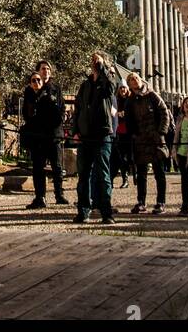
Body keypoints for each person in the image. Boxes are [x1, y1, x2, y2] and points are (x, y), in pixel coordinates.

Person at [72, 52, 117, 225]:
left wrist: (103, 68)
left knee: (103, 174)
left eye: (96, 61)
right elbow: (78, 108)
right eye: (92, 61)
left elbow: (110, 89)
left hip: (102, 134)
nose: (94, 63)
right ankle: (83, 211)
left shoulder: (107, 81)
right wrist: (76, 130)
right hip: (85, 135)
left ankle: (106, 212)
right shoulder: (85, 85)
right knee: (83, 175)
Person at [22, 64, 69, 208]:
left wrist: (58, 120)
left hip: (54, 134)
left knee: (57, 166)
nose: (45, 71)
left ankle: (59, 194)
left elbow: (61, 109)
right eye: (43, 69)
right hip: (38, 136)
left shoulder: (55, 88)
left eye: (48, 69)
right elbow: (27, 113)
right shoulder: (30, 92)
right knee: (38, 167)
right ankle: (40, 197)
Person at [127, 71, 170, 214]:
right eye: (132, 79)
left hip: (155, 138)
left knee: (159, 172)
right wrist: (133, 135)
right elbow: (129, 119)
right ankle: (141, 202)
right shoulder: (131, 100)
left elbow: (164, 112)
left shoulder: (152, 95)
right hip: (140, 139)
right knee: (141, 173)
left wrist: (161, 132)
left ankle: (161, 202)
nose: (135, 81)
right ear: (129, 84)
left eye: (137, 78)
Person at [114, 83, 134, 188]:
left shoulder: (131, 100)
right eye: (121, 88)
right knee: (122, 157)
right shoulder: (116, 100)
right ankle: (125, 179)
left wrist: (126, 113)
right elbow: (113, 112)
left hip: (130, 132)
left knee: (131, 157)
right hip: (120, 131)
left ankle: (135, 176)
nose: (122, 89)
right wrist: (117, 114)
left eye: (124, 88)